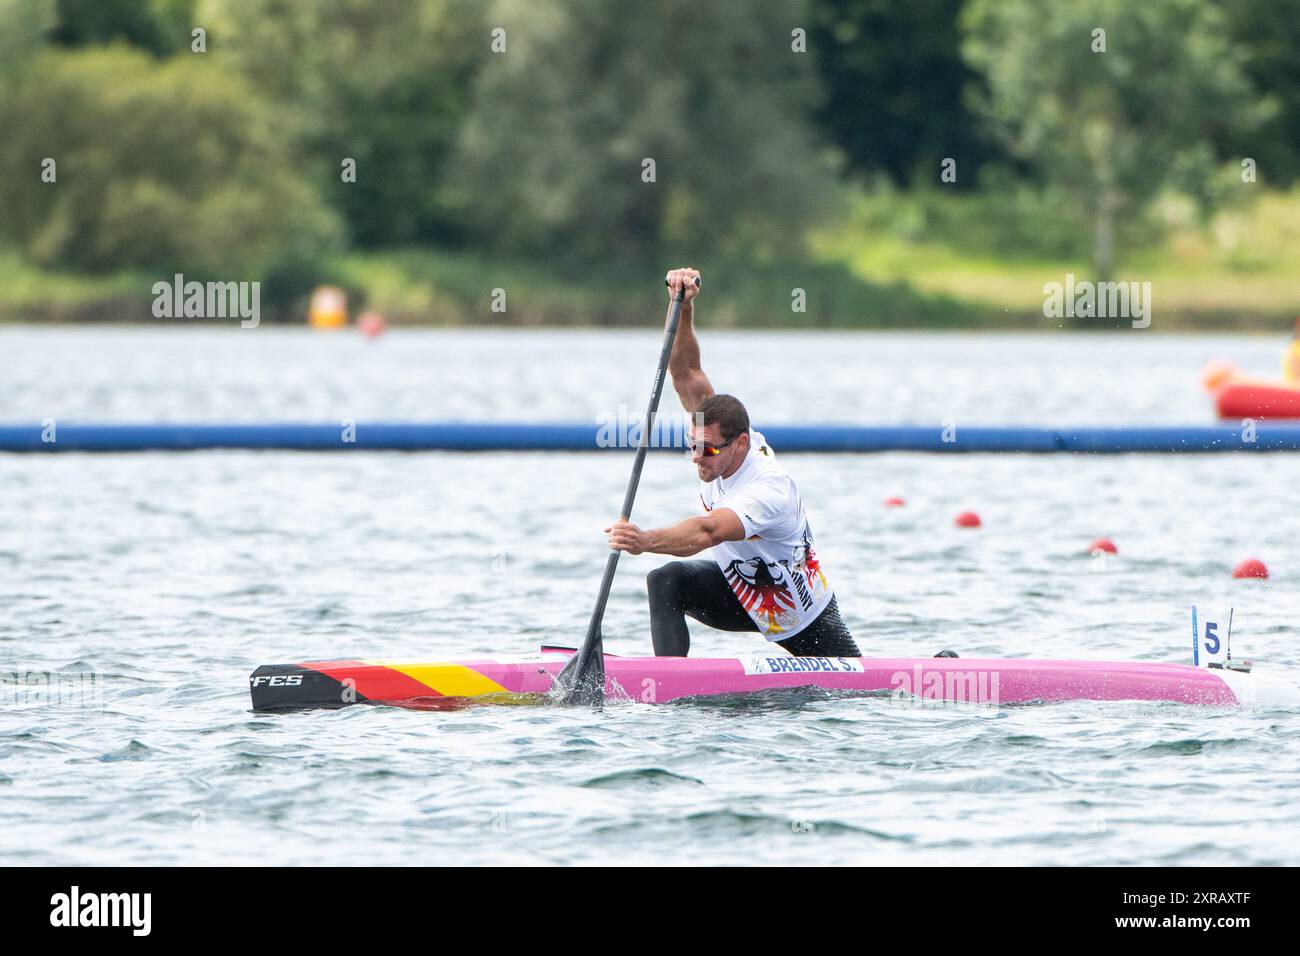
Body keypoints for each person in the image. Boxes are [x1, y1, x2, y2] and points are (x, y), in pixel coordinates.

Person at [605, 267, 860, 658]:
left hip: (799, 615)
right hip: (743, 594)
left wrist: (645, 541)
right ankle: (670, 690)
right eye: (691, 445)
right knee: (665, 581)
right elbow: (684, 371)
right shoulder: (713, 427)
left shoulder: (768, 488)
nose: (696, 458)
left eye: (707, 450)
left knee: (850, 685)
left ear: (741, 443)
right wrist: (682, 305)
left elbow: (708, 531)